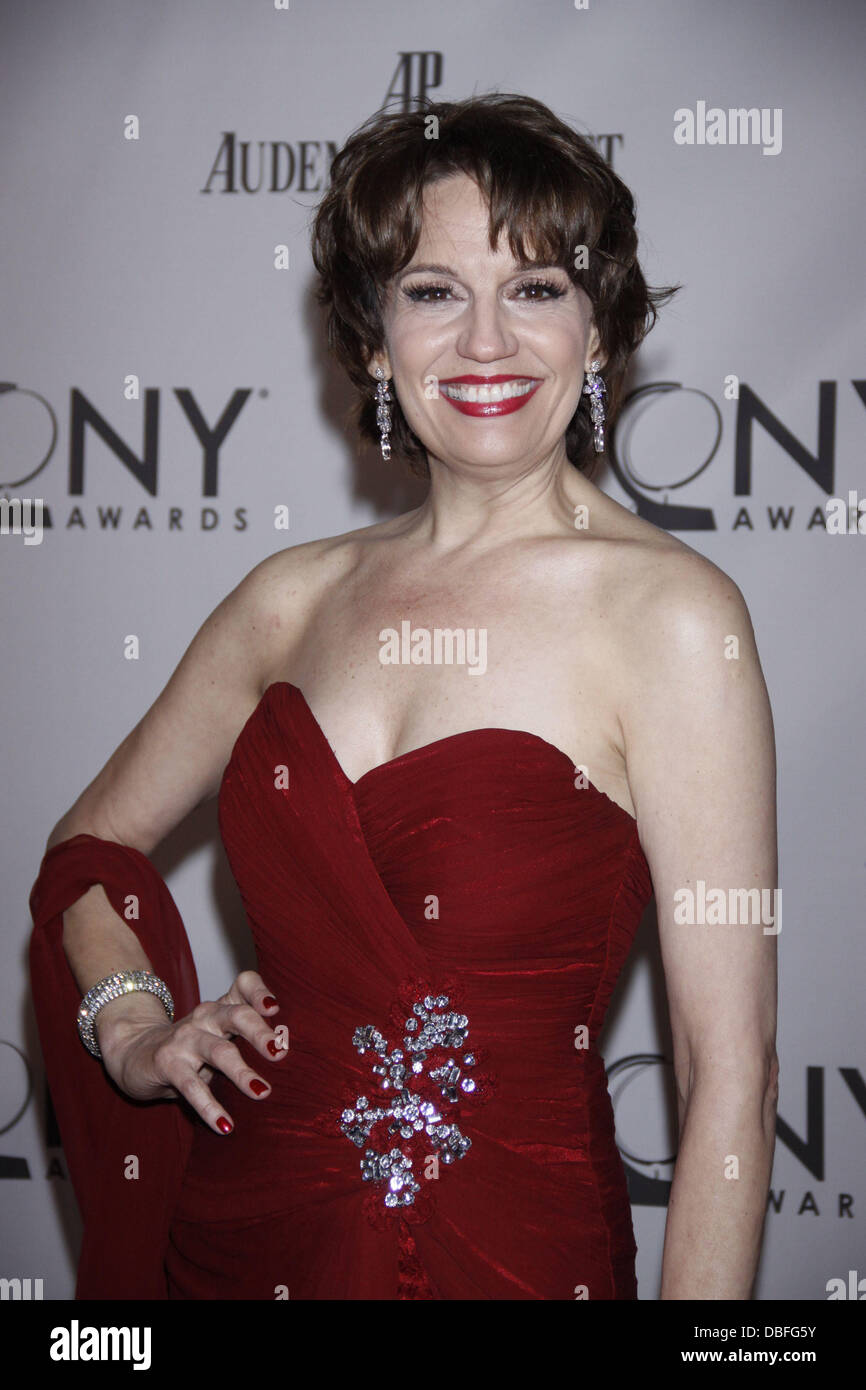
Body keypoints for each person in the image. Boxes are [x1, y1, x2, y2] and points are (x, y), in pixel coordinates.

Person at [29, 92, 779, 1301]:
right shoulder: (286, 601)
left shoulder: (673, 618)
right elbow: (88, 848)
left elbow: (726, 1069)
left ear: (597, 334)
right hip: (234, 1246)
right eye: (433, 292)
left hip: (518, 1257)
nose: (486, 342)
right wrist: (130, 1026)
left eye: (535, 289)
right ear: (375, 341)